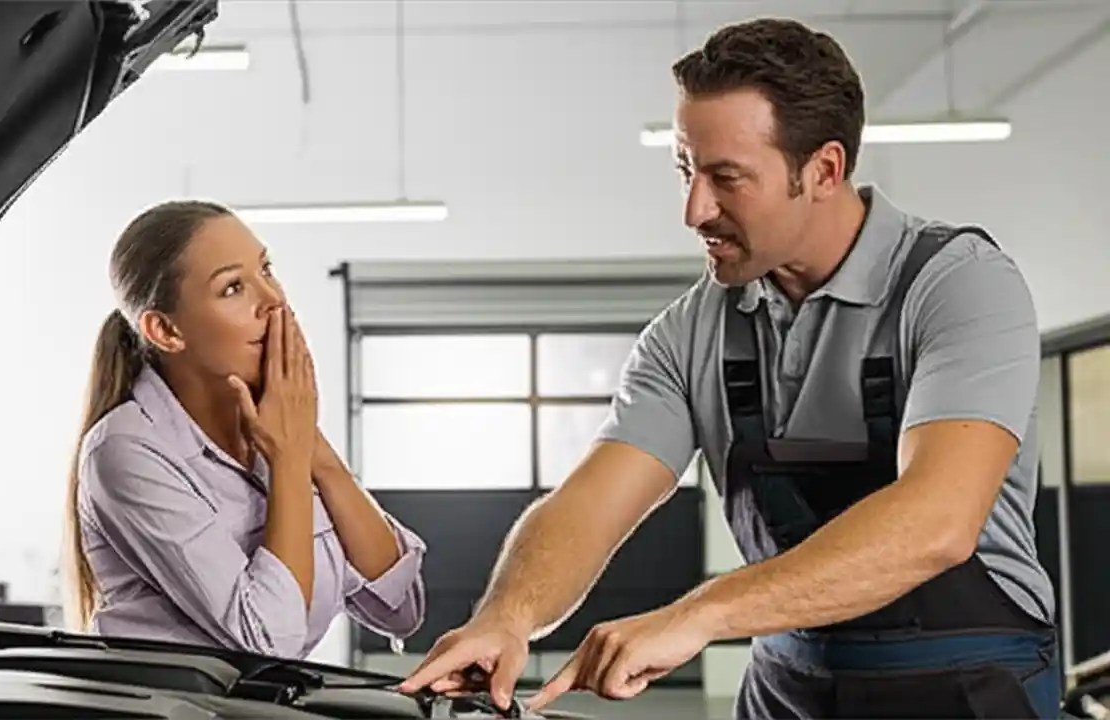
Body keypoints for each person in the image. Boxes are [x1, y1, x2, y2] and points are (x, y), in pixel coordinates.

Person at [399, 17, 1059, 719]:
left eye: (726, 179)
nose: (694, 210)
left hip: (967, 687)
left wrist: (702, 613)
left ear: (824, 171)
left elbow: (937, 522)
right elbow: (590, 501)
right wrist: (507, 615)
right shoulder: (692, 330)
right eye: (686, 172)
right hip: (790, 690)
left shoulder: (959, 287)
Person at [61, 200, 426, 659]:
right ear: (166, 331)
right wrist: (290, 460)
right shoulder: (125, 451)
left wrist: (316, 451)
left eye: (266, 269)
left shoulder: (277, 427)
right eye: (233, 287)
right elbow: (270, 641)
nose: (274, 299)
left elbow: (399, 610)